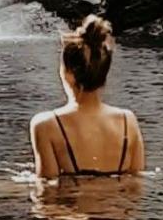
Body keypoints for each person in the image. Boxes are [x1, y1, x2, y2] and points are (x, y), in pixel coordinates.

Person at [30, 14, 144, 181]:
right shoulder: (128, 121)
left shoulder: (46, 125)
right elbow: (136, 185)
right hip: (117, 206)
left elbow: (47, 195)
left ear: (69, 74)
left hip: (74, 206)